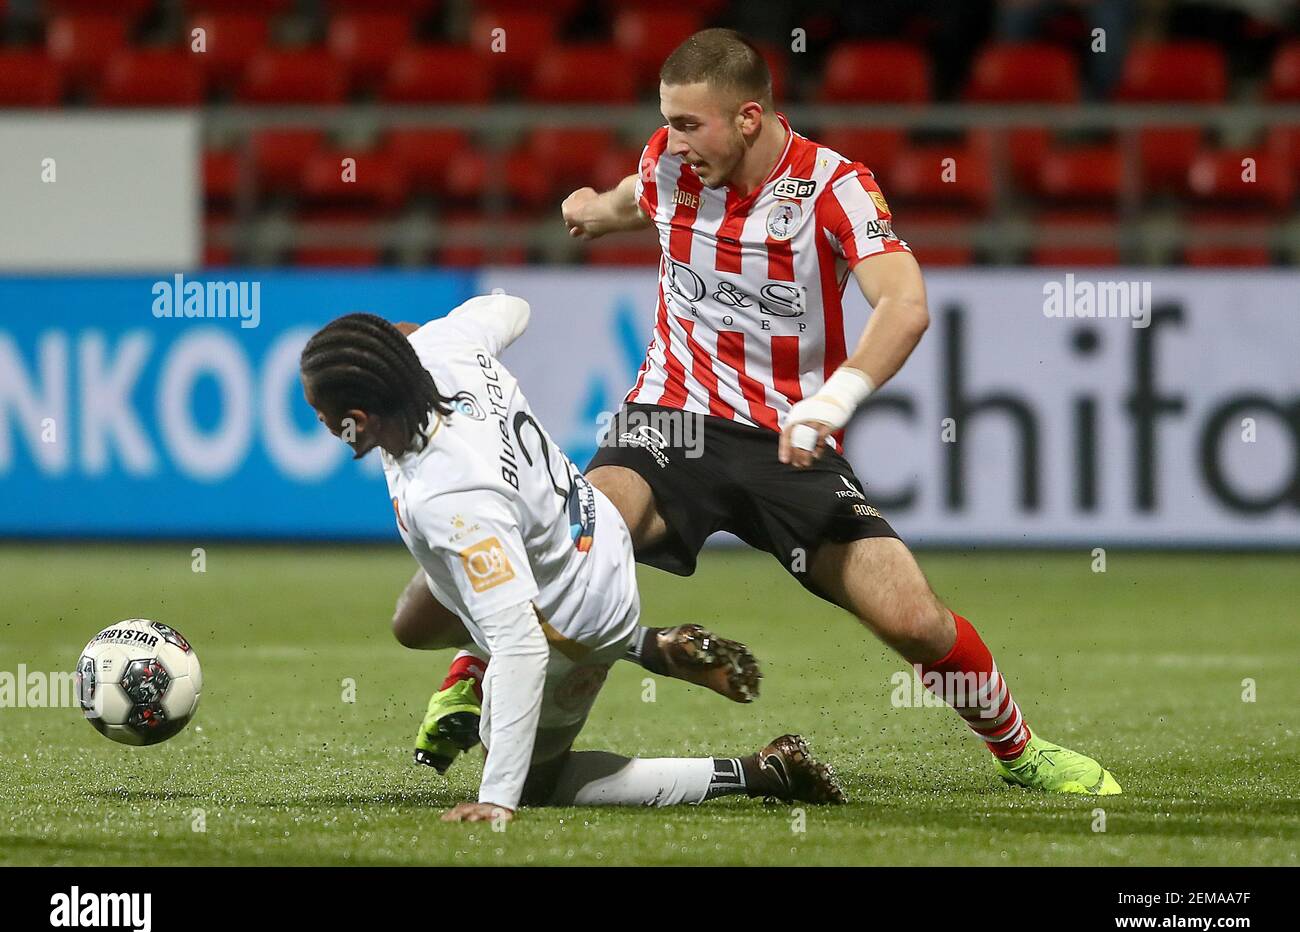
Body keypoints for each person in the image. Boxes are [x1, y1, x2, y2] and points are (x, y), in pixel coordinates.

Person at [410, 29, 1119, 797]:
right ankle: (471, 675)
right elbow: (634, 196)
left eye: (689, 124)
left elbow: (905, 305)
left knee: (912, 619)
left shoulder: (834, 187)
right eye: (667, 123)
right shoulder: (669, 163)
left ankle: (1019, 751)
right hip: (670, 420)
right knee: (581, 535)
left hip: (789, 439)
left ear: (749, 118)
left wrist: (834, 398)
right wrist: (593, 210)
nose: (673, 141)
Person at [299, 294, 843, 821]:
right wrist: (422, 340)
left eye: (322, 413)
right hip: (584, 527)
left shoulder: (448, 498)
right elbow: (510, 306)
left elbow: (521, 644)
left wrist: (498, 797)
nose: (321, 423)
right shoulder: (447, 348)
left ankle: (762, 771)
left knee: (535, 783)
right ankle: (644, 646)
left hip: (579, 613)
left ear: (360, 417)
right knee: (413, 623)